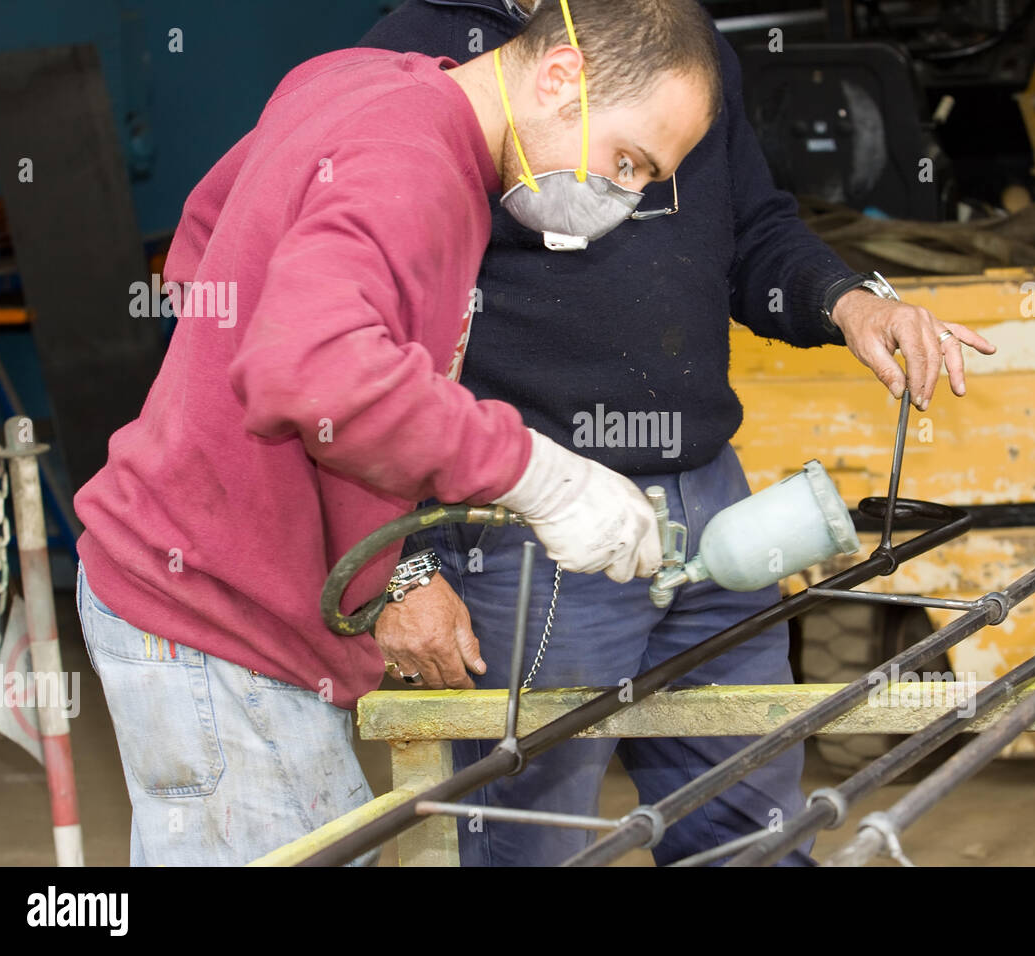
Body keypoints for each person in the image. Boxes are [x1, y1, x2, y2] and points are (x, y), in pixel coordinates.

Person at [72, 0, 722, 866]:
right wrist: (537, 473)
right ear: (563, 78)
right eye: (628, 160)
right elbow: (309, 367)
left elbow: (206, 243)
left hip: (199, 602)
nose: (628, 196)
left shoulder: (359, 79)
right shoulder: (415, 165)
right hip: (220, 628)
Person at [362, 0, 996, 867]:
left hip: (710, 498)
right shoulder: (421, 56)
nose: (632, 193)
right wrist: (401, 568)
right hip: (528, 526)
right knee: (523, 847)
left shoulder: (676, 39)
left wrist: (846, 301)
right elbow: (348, 356)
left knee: (752, 829)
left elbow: (753, 230)